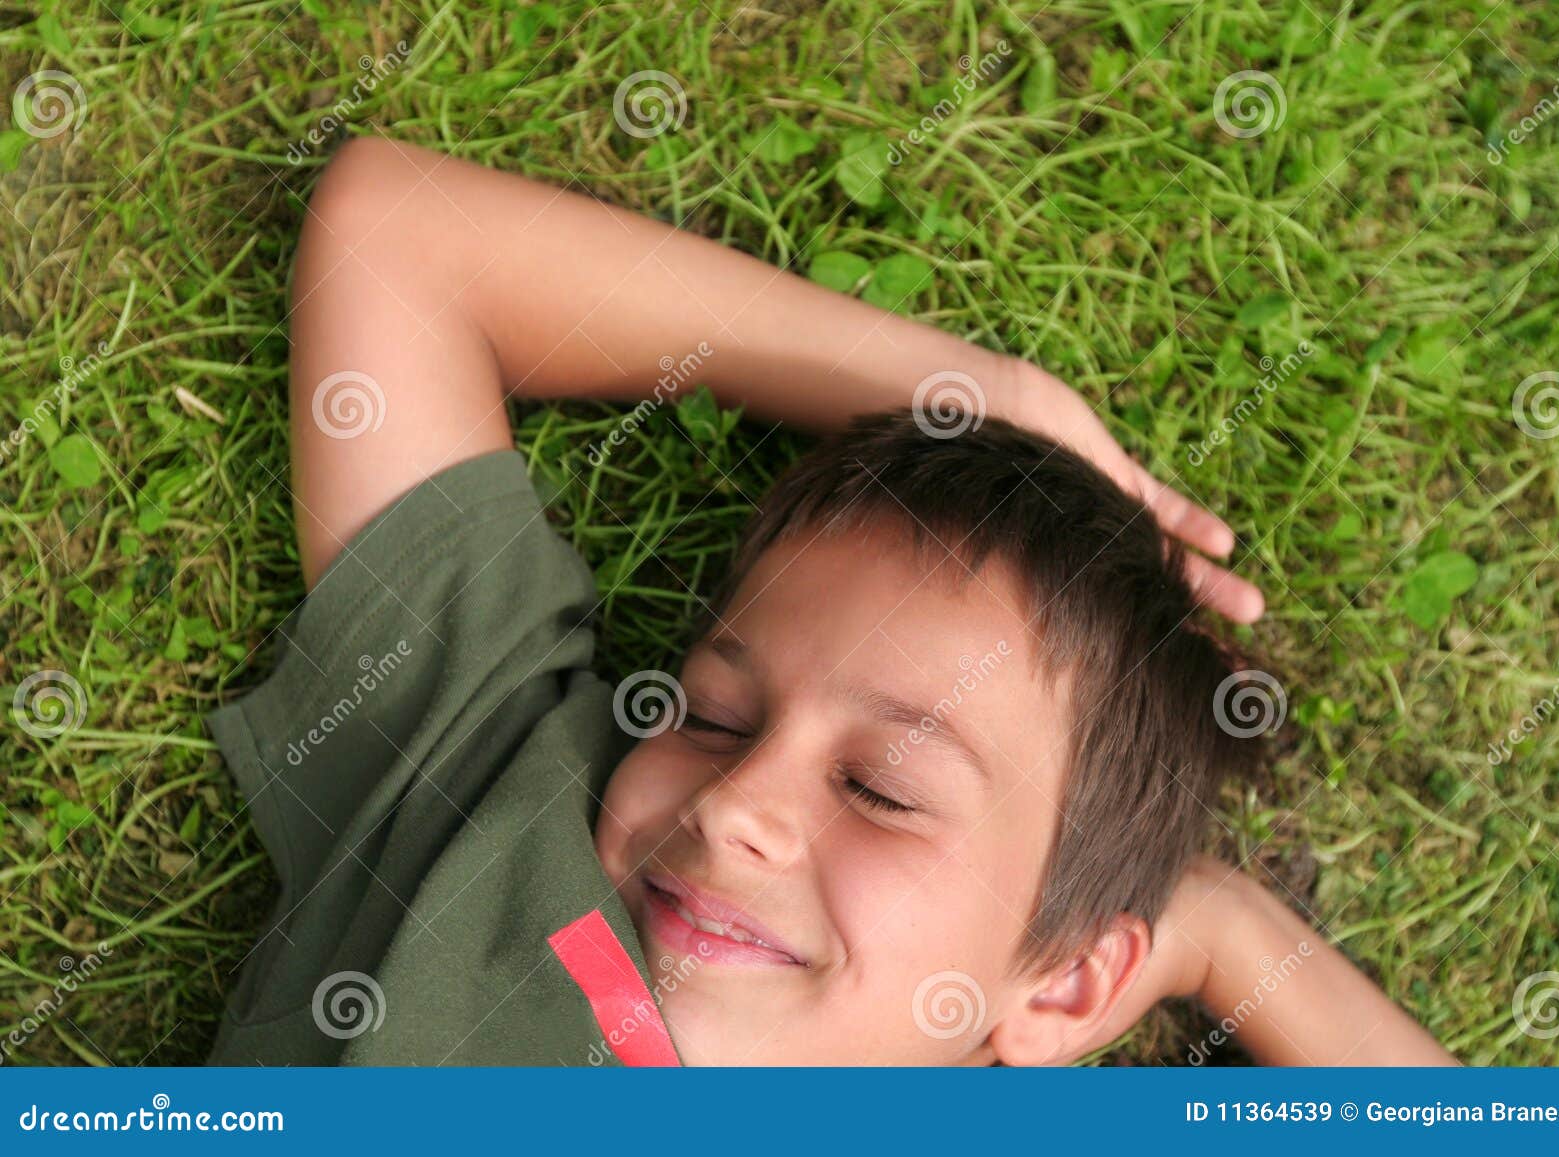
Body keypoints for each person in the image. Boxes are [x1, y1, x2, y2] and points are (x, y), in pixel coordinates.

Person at [205, 137, 1453, 1066]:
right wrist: (969, 392)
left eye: (881, 788)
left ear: (1066, 989)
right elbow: (402, 242)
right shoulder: (492, 807)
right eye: (706, 713)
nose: (735, 803)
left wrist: (1208, 927)